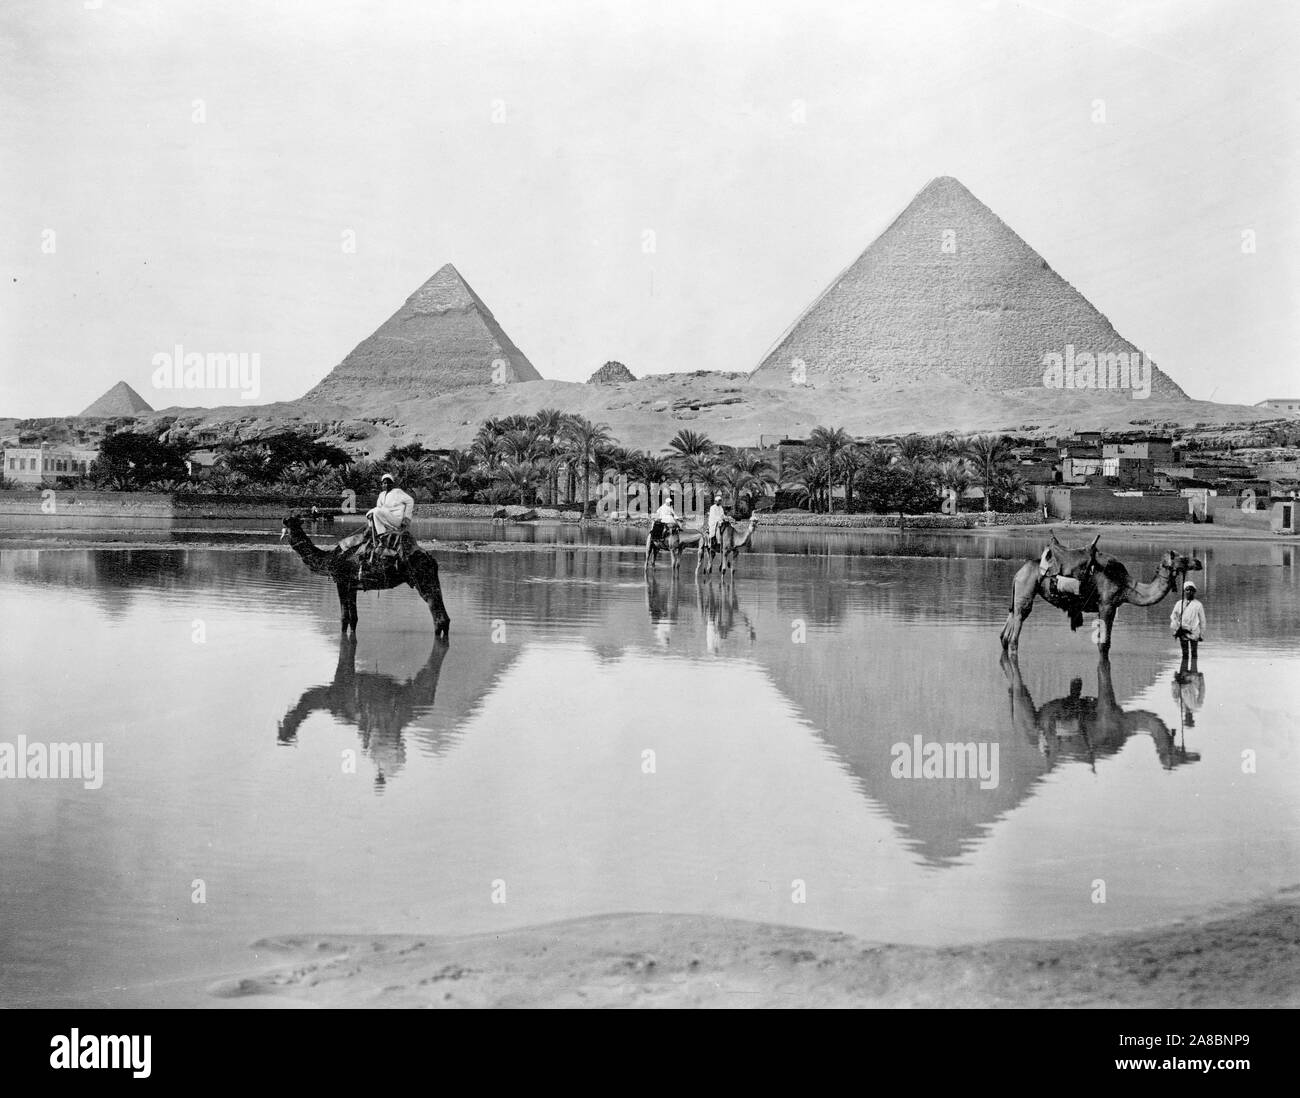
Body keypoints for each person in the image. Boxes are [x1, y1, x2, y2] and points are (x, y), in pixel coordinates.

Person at [1170, 580, 1206, 672]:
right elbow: (1173, 616)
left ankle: (1194, 673)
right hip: (1183, 631)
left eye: (1191, 590)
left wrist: (1201, 634)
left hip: (1194, 631)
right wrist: (1176, 628)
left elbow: (1203, 621)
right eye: (1187, 590)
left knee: (1194, 653)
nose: (1189, 592)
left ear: (1194, 592)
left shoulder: (1198, 605)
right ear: (1184, 591)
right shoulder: (1179, 604)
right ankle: (1184, 672)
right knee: (1185, 654)